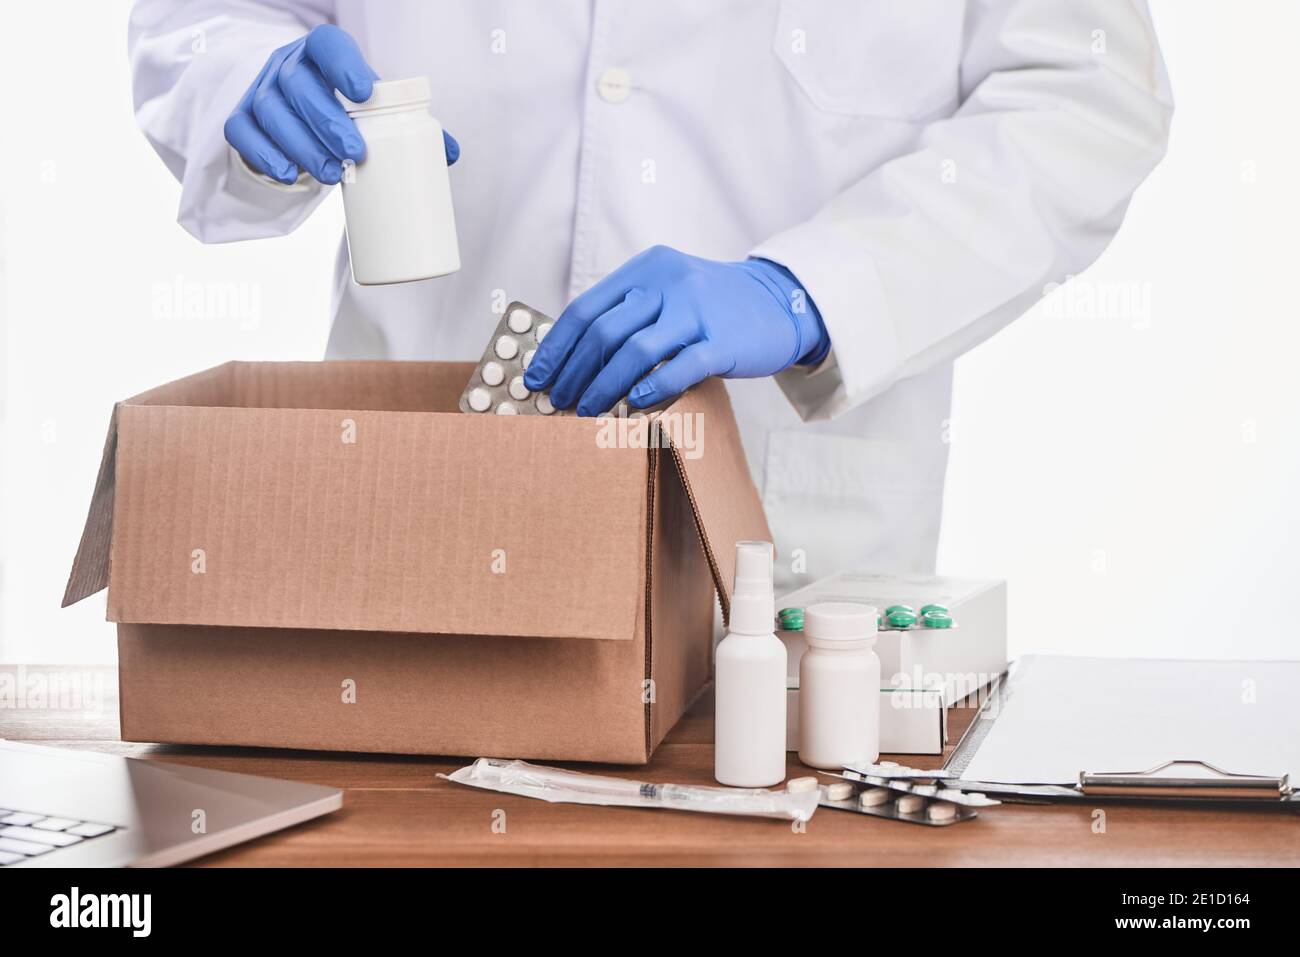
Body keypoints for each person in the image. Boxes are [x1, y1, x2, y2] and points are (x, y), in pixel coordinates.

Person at [128, 1, 1172, 589]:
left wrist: (809, 291)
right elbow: (209, 21)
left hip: (782, 561)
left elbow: (1083, 96)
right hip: (415, 517)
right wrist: (249, 80)